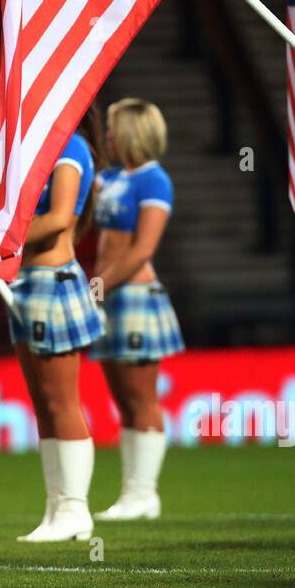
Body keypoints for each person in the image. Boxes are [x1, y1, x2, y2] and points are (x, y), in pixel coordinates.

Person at [0, 109, 105, 542]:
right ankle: (56, 507)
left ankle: (76, 509)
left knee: (63, 400)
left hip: (53, 282)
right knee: (43, 402)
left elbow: (60, 218)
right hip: (25, 283)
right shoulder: (31, 156)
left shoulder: (72, 148)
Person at [88, 99, 183, 520]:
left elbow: (143, 248)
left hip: (135, 295)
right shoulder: (109, 177)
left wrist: (98, 284)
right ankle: (133, 492)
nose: (107, 136)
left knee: (142, 397)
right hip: (108, 295)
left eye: (113, 128)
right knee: (123, 399)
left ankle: (145, 493)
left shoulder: (154, 181)